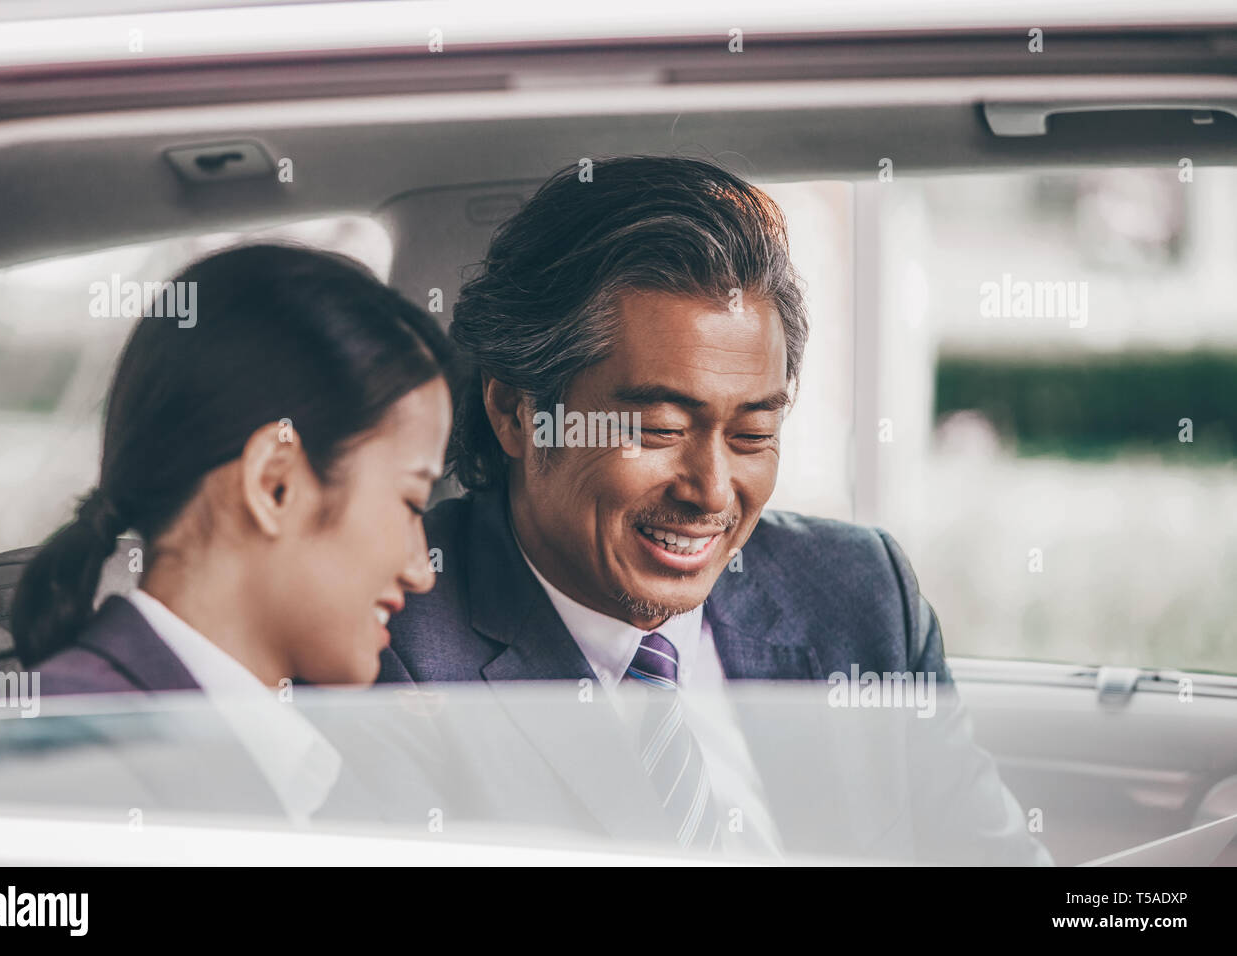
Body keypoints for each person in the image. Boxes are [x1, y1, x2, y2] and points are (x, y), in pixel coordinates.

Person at [381, 156, 1053, 863]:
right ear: (515, 411)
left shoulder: (862, 596)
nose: (710, 491)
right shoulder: (391, 639)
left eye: (752, 435)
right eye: (660, 430)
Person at [6, 243, 455, 823]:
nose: (422, 569)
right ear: (275, 485)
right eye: (411, 500)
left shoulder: (315, 762)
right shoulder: (64, 769)